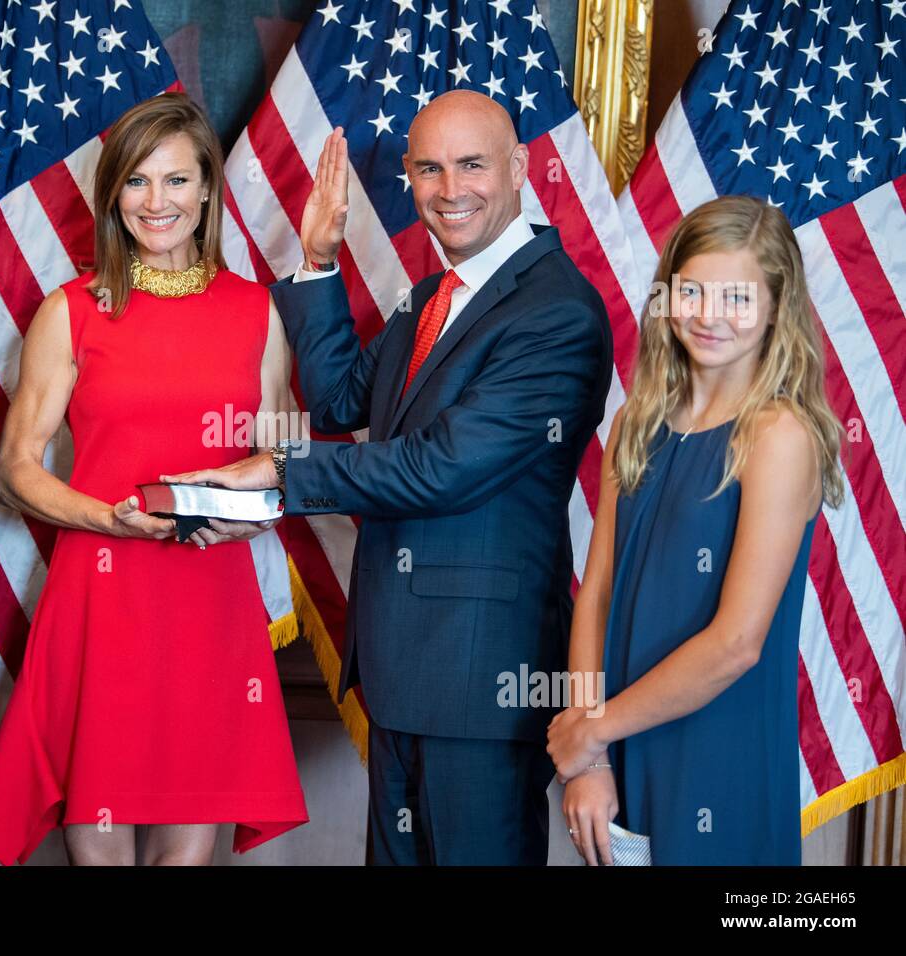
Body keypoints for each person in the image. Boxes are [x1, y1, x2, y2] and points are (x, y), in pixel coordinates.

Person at [163, 90, 613, 865]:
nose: (449, 190)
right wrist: (318, 262)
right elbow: (341, 401)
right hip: (403, 670)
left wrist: (279, 467)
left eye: (471, 165)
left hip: (481, 680)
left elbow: (442, 467)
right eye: (428, 169)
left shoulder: (556, 312)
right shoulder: (435, 298)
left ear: (519, 168)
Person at [0, 92, 308, 866]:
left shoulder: (256, 311)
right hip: (101, 589)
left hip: (211, 592)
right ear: (113, 192)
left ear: (208, 188)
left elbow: (289, 461)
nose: (158, 203)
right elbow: (16, 471)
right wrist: (104, 519)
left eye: (177, 181)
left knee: (184, 858)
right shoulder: (73, 310)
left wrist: (251, 512)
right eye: (138, 183)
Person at [547, 195, 844, 866]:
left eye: (737, 297)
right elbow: (594, 593)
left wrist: (591, 732)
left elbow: (737, 644)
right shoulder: (636, 420)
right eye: (693, 292)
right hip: (620, 741)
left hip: (717, 749)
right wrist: (588, 763)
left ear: (776, 307)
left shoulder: (778, 434)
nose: (709, 316)